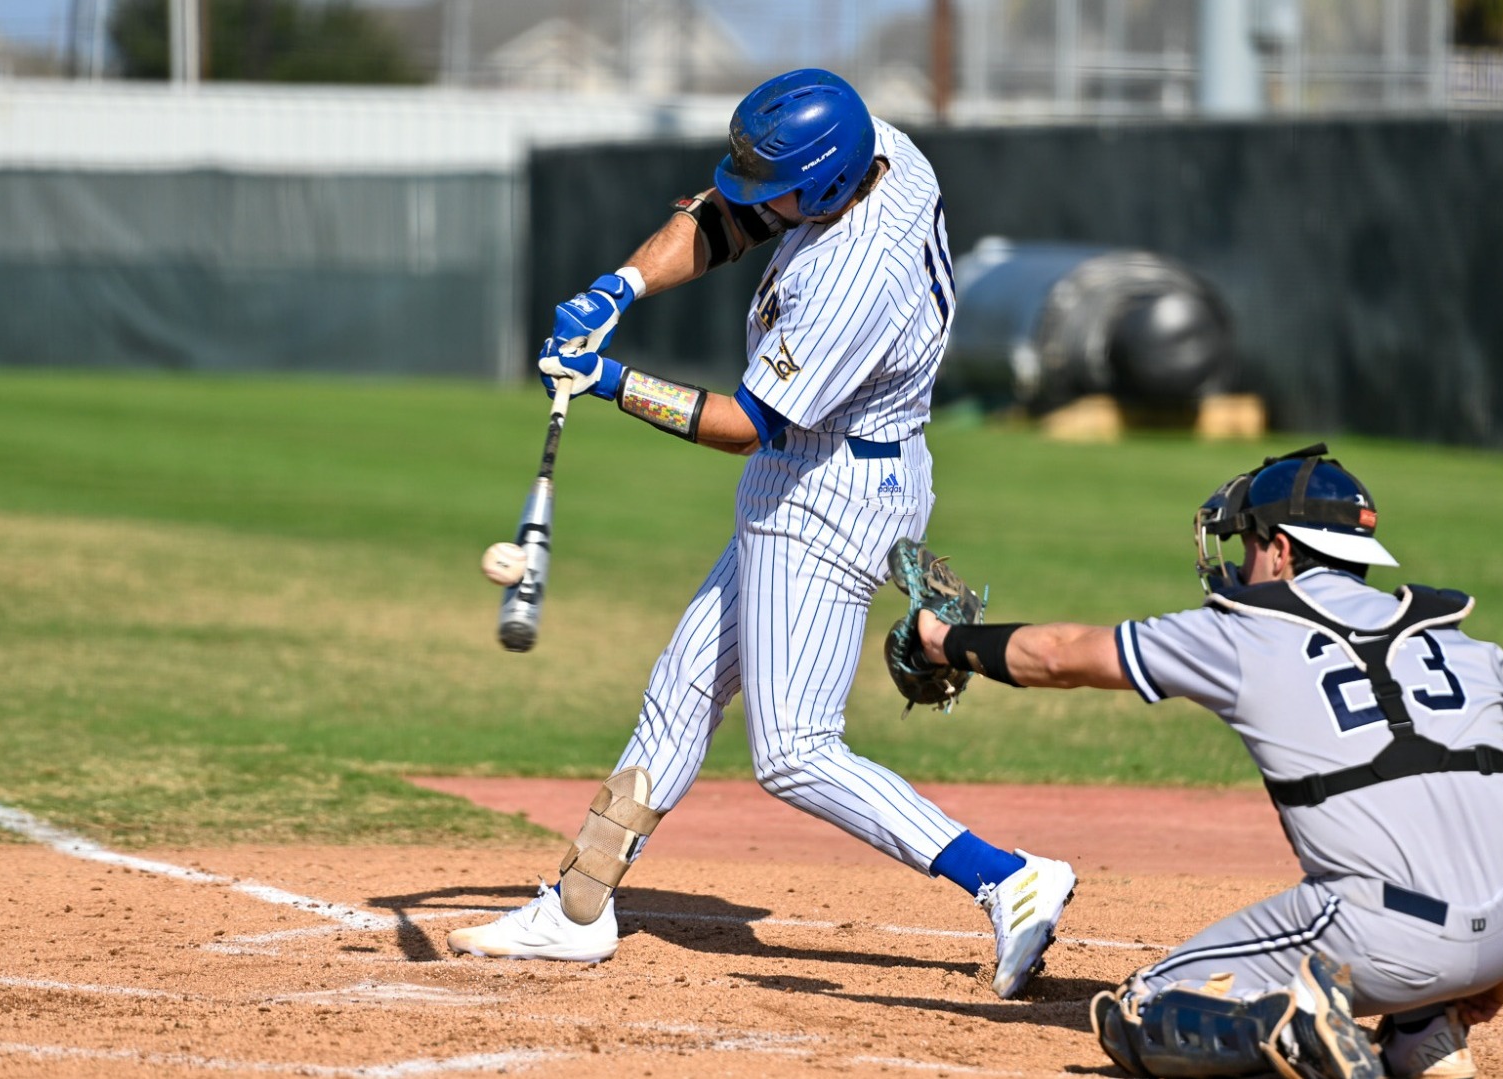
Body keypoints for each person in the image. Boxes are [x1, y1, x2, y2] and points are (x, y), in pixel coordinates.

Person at [446, 69, 1076, 1000]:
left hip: (830, 491)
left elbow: (748, 422)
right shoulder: (884, 151)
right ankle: (578, 906)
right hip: (824, 469)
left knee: (795, 750)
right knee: (681, 689)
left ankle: (1009, 878)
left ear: (823, 185)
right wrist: (617, 287)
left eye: (774, 186)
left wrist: (611, 381)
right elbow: (725, 215)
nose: (751, 200)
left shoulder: (851, 276)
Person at [909, 444, 1503, 1079]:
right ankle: (1424, 1033)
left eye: (1250, 543)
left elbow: (1061, 654)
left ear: (1281, 549)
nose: (1241, 560)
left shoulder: (1243, 631)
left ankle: (1295, 1032)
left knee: (1139, 1009)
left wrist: (943, 640)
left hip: (1379, 938)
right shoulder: (1456, 638)